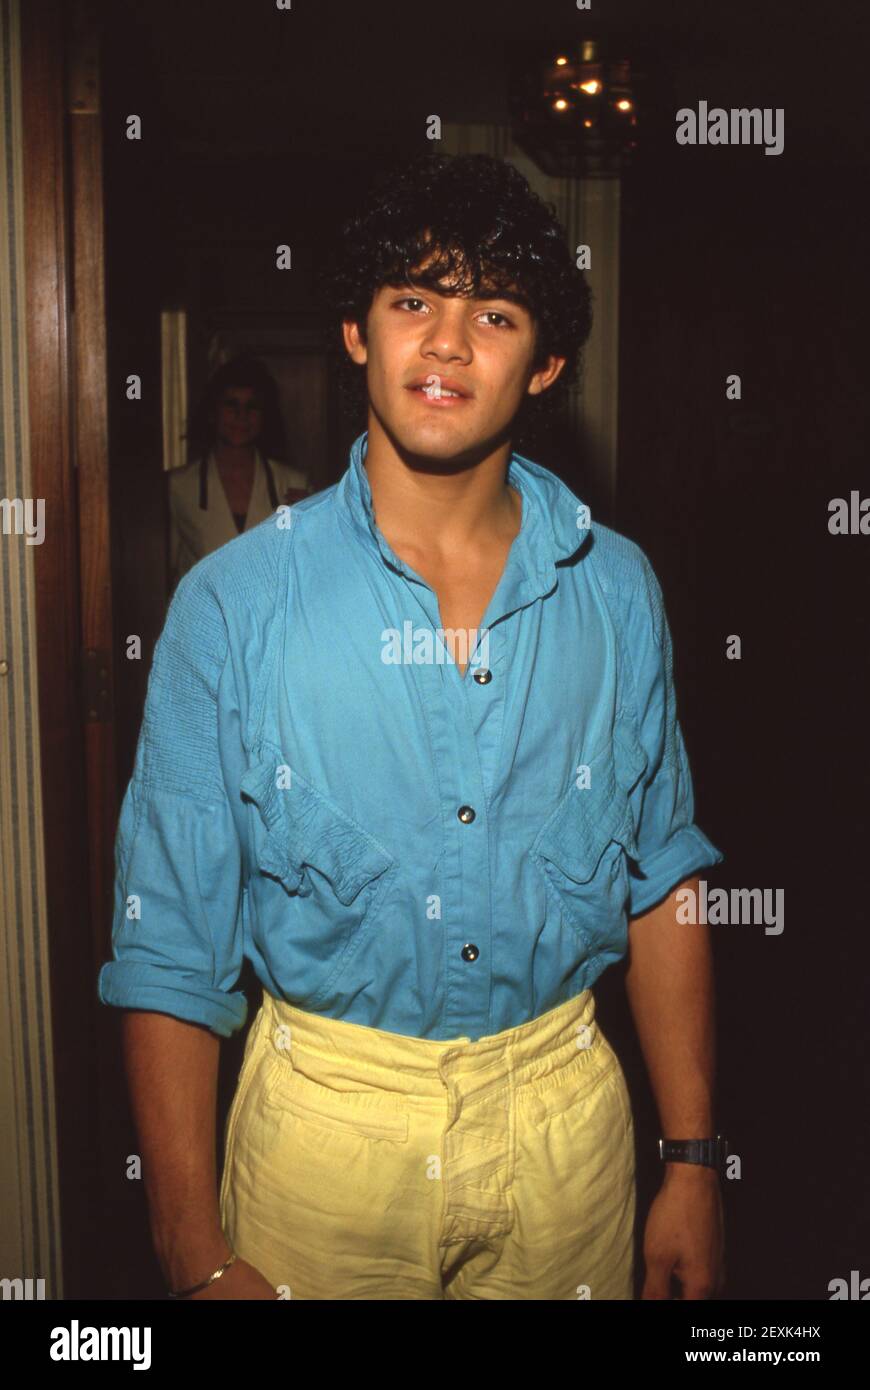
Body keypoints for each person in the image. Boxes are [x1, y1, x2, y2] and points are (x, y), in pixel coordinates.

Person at [99, 153, 726, 1301]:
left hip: (568, 1131)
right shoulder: (232, 608)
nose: (445, 342)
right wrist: (191, 1253)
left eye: (491, 312)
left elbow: (663, 874)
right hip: (322, 1146)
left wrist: (689, 1158)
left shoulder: (619, 589)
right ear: (356, 333)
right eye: (411, 301)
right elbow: (169, 944)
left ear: (544, 363)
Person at [168, 354, 310, 588]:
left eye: (252, 406)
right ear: (213, 412)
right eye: (231, 404)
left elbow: (307, 568)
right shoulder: (179, 486)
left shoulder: (294, 484)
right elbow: (167, 575)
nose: (241, 416)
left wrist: (312, 523)